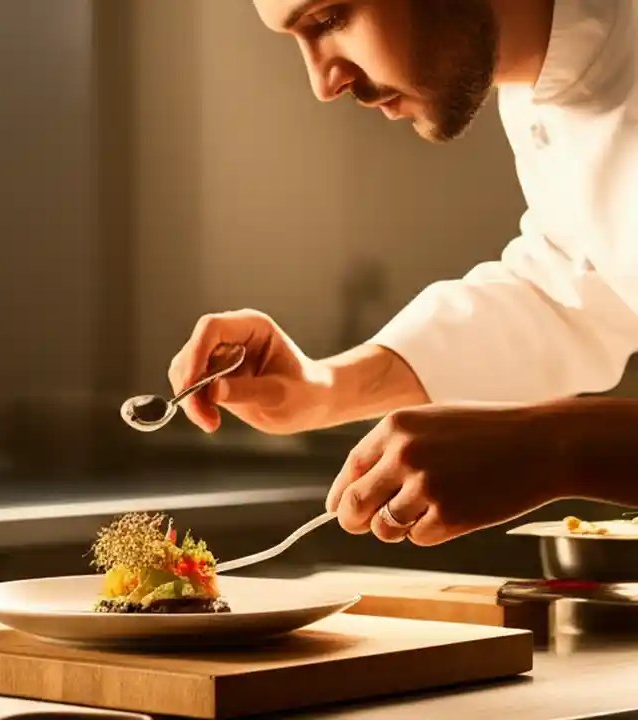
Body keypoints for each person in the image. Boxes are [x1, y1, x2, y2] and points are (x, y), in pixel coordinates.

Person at [168, 0, 638, 546]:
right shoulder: (538, 96)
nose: (323, 83)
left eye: (330, 18)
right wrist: (323, 388)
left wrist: (558, 448)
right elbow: (572, 290)